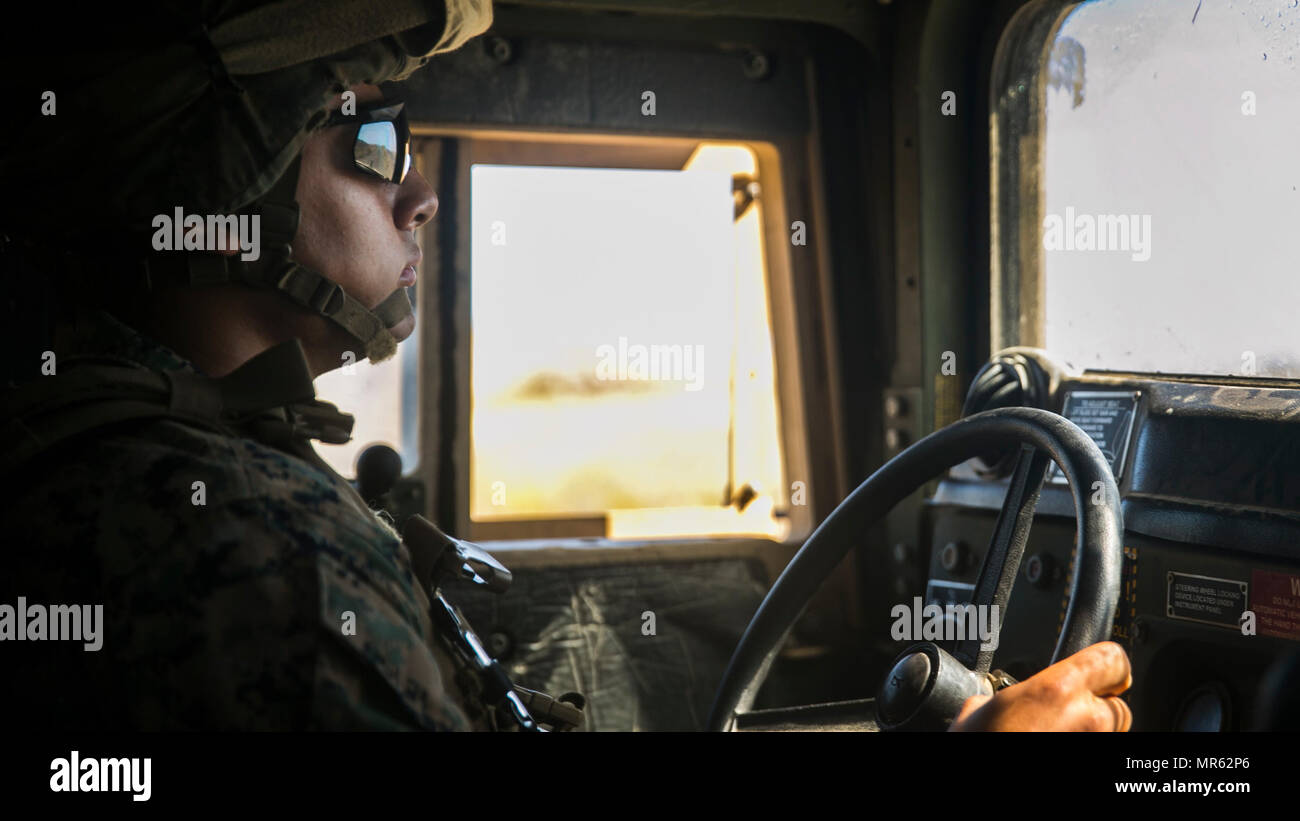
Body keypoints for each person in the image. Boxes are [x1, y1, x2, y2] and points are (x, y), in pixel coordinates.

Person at [0, 0, 1132, 732]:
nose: (421, 194)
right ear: (217, 194)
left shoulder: (167, 460)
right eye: (373, 141)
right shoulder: (247, 550)